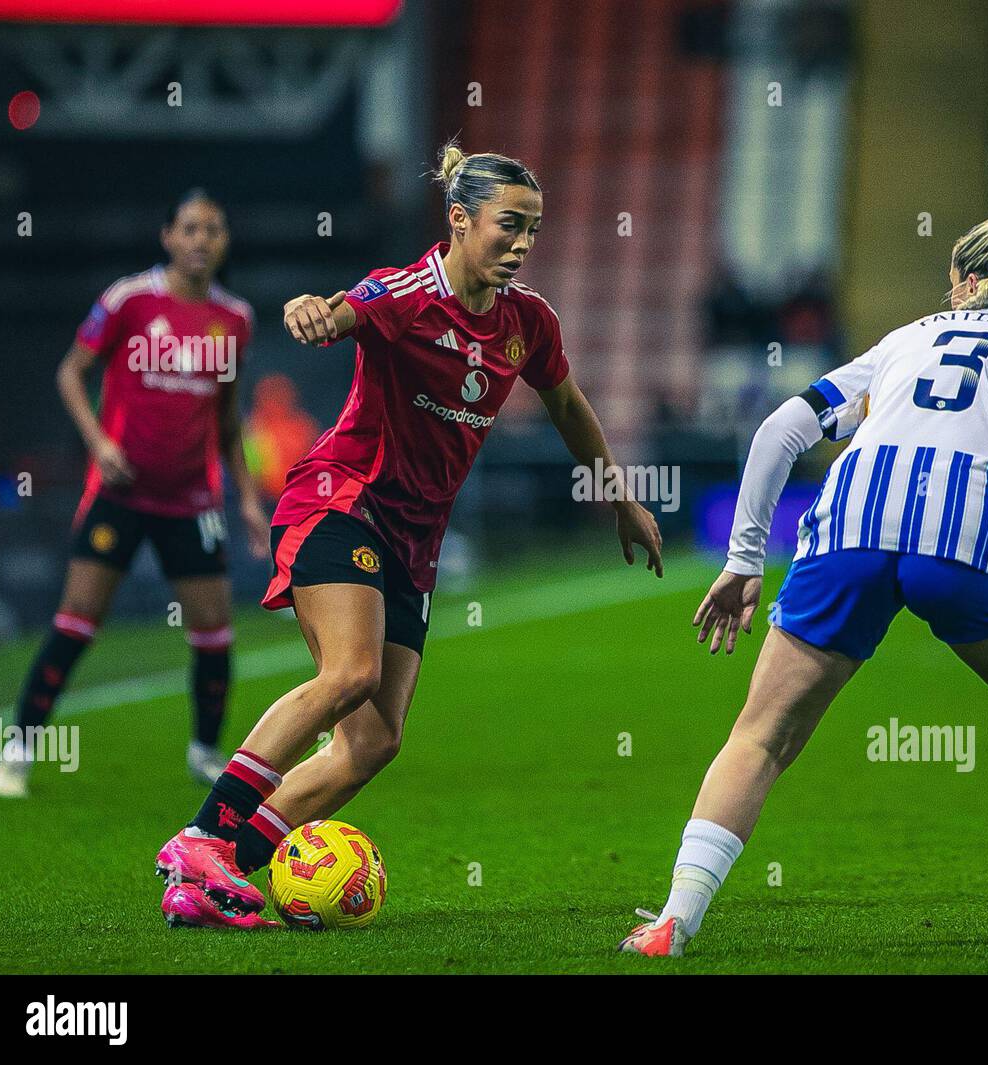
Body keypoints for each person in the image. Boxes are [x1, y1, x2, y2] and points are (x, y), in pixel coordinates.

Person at [620, 194, 988, 956]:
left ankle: (672, 921)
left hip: (852, 519)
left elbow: (780, 429)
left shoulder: (907, 338)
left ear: (963, 278)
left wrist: (745, 559)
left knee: (763, 734)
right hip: (969, 529)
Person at [154, 144, 664, 929]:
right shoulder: (409, 293)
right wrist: (315, 313)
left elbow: (566, 404)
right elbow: (346, 307)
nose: (524, 243)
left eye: (533, 228)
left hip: (415, 543)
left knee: (373, 743)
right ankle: (201, 835)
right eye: (509, 225)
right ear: (459, 221)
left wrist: (620, 496)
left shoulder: (528, 322)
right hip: (341, 503)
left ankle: (217, 877)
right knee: (351, 672)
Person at [0, 190, 269, 799]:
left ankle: (204, 751)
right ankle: (18, 748)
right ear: (167, 236)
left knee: (214, 630)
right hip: (120, 494)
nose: (201, 240)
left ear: (224, 243)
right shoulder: (129, 299)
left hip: (193, 501)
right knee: (77, 621)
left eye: (213, 230)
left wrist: (246, 498)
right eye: (190, 228)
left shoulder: (235, 319)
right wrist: (99, 445)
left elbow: (227, 418)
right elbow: (70, 371)